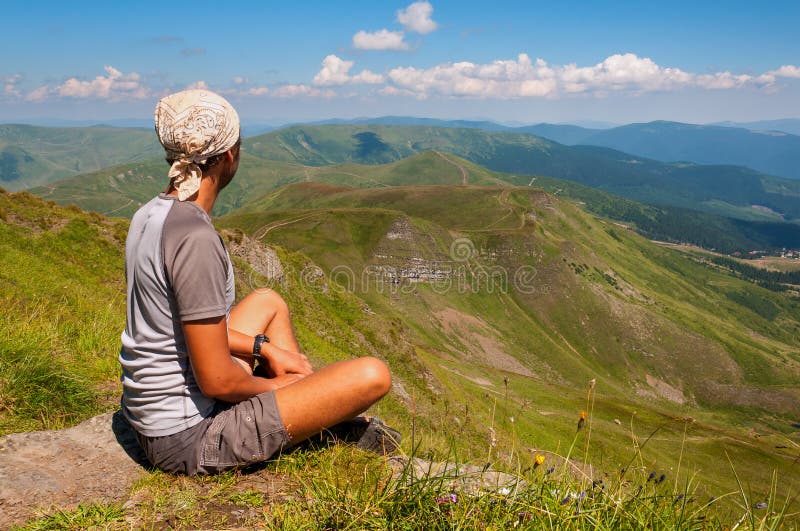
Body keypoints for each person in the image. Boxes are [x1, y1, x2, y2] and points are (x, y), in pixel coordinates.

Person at [119, 89, 396, 475]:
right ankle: (315, 421)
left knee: (267, 300)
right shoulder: (195, 238)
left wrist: (262, 348)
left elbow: (175, 327)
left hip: (150, 412)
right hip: (187, 436)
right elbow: (216, 380)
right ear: (230, 155)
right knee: (372, 375)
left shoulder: (150, 214)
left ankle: (306, 417)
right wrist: (288, 388)